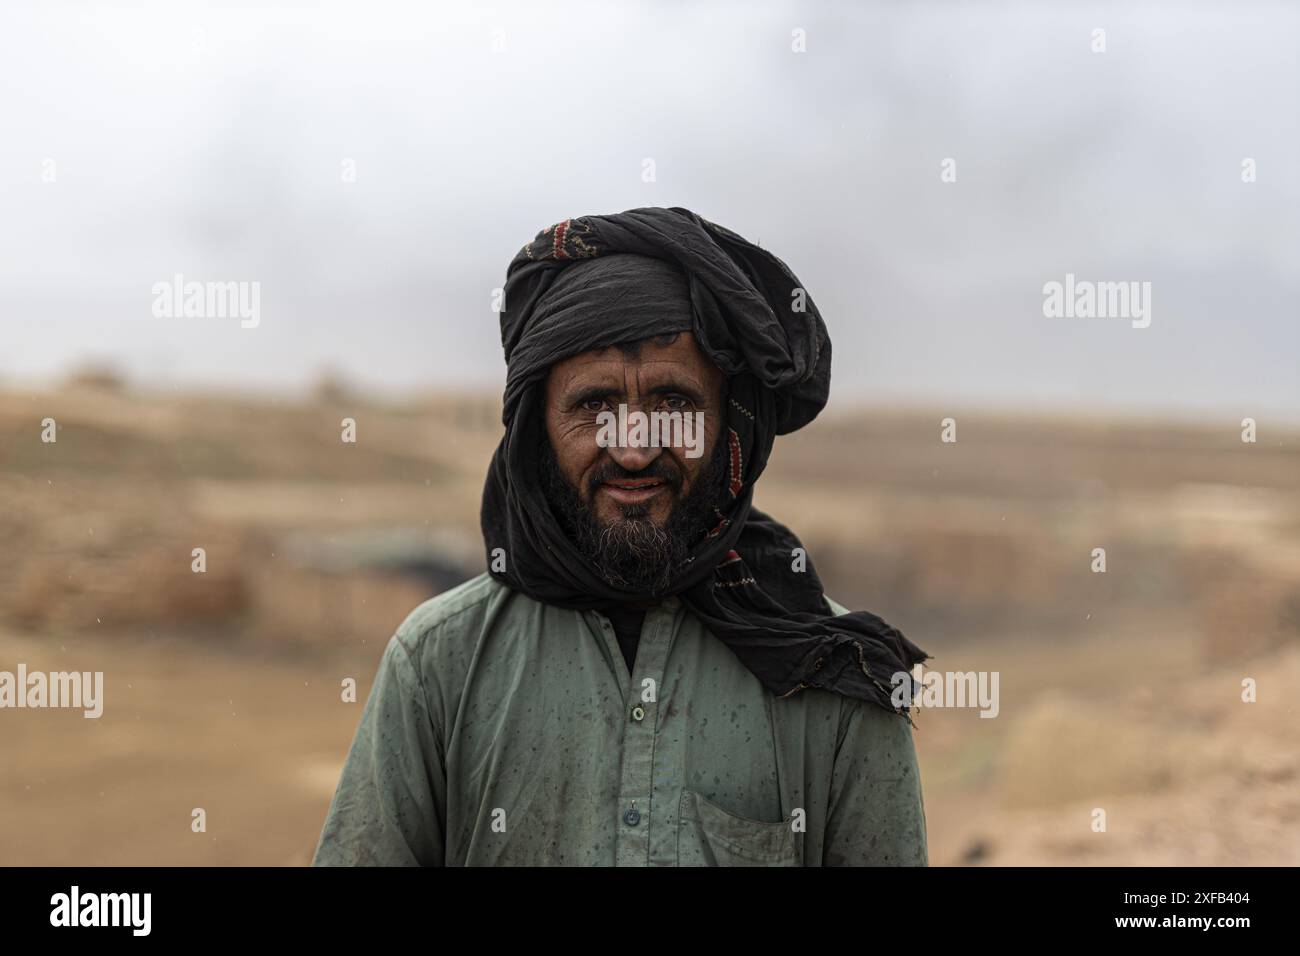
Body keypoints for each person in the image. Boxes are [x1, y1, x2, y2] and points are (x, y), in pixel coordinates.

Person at [312, 207, 929, 866]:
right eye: (593, 406)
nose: (633, 448)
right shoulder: (438, 664)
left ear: (730, 428)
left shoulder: (835, 681)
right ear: (536, 433)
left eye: (674, 404)